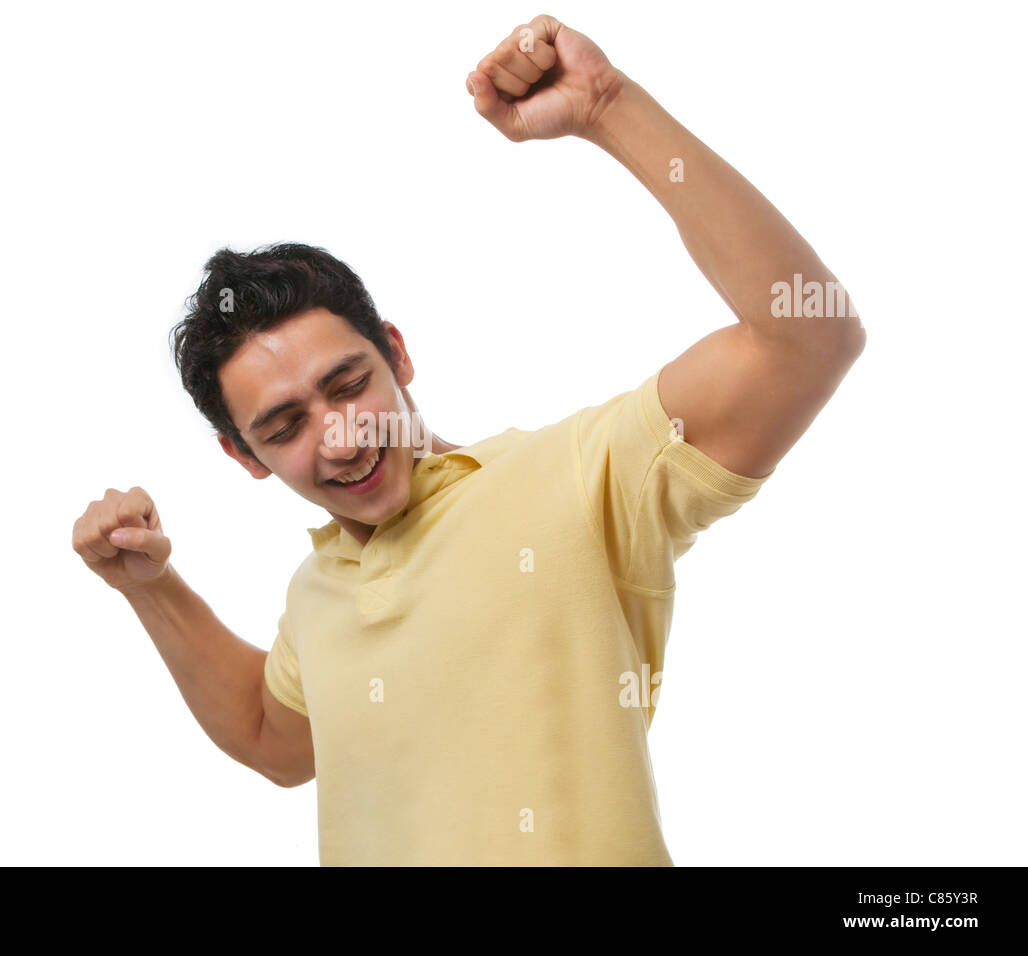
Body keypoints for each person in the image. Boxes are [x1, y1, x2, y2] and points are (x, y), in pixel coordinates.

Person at [70, 15, 865, 865]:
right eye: (285, 426)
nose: (341, 438)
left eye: (348, 385)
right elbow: (273, 739)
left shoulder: (575, 478)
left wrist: (606, 105)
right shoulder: (316, 593)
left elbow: (805, 336)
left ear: (398, 354)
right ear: (245, 458)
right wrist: (150, 588)